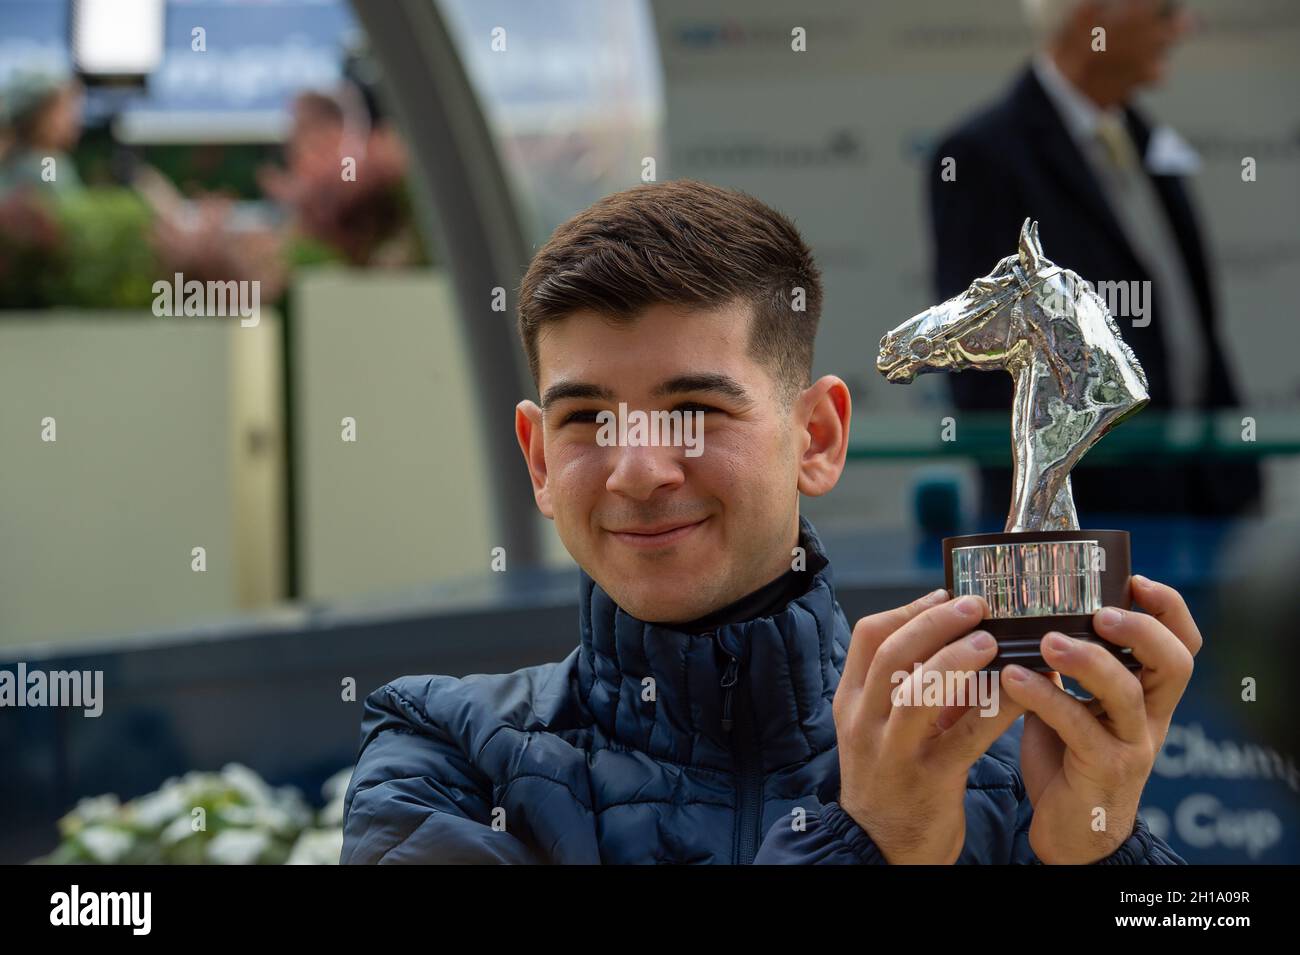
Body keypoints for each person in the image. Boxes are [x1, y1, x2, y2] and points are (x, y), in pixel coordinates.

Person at [341, 179, 1196, 864]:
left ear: (816, 438)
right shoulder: (443, 750)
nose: (640, 470)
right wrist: (871, 843)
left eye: (696, 410)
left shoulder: (1010, 758)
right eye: (589, 421)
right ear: (537, 459)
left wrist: (1100, 849)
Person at [927, 0, 1261, 522]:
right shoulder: (983, 157)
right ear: (1093, 14)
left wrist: (1237, 482)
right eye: (1164, 11)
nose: (1183, 27)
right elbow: (982, 368)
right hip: (1084, 533)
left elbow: (1192, 332)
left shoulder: (1148, 140)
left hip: (1203, 507)